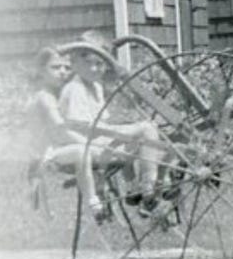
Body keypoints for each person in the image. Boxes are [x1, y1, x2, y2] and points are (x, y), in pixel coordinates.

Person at [58, 41, 164, 216]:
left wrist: (123, 128)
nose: (94, 69)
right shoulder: (75, 88)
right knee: (147, 129)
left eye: (99, 64)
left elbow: (102, 120)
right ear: (75, 64)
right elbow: (82, 126)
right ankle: (148, 189)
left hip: (97, 141)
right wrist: (120, 131)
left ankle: (133, 188)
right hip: (85, 144)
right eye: (88, 63)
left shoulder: (95, 87)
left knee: (141, 137)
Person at [26, 45, 107, 221]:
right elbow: (61, 130)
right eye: (55, 67)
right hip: (46, 155)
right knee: (83, 151)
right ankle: (93, 201)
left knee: (93, 150)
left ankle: (102, 191)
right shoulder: (44, 98)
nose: (62, 72)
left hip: (57, 148)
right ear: (41, 70)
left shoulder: (58, 94)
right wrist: (90, 143)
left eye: (67, 68)